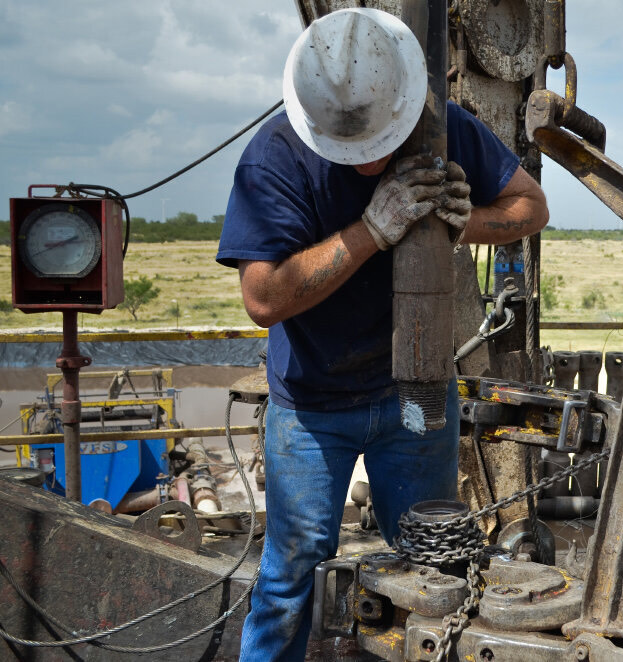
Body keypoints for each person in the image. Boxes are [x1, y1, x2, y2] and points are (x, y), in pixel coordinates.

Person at [215, 8, 548, 661]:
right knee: (289, 576)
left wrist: (466, 219)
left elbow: (529, 207)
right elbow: (261, 298)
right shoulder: (276, 156)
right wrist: (373, 228)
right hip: (313, 404)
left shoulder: (443, 129)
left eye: (380, 144)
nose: (370, 161)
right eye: (355, 150)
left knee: (432, 564)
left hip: (416, 401)